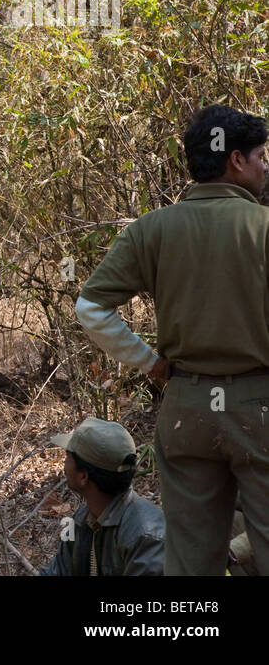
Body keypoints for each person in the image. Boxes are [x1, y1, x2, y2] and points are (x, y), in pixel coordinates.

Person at [76, 103, 269, 576]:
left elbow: (91, 307)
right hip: (259, 405)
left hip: (186, 407)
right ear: (236, 160)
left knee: (189, 560)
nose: (267, 165)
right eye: (262, 154)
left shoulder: (152, 229)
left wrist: (149, 363)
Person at [39, 417, 165, 576]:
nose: (64, 465)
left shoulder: (147, 536)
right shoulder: (83, 519)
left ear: (83, 476)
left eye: (68, 456)